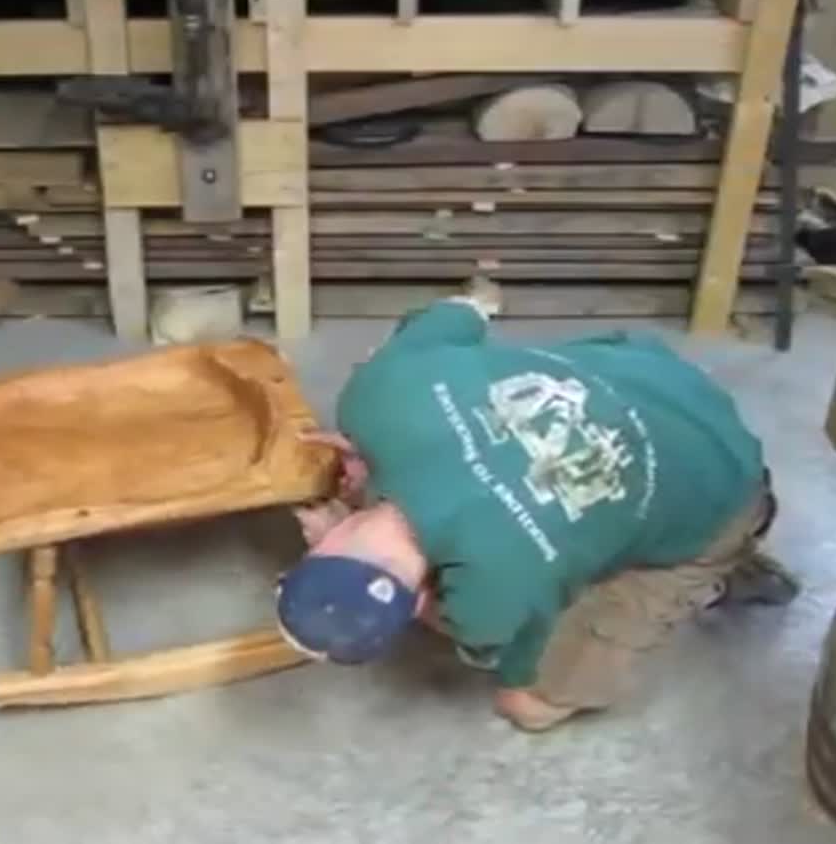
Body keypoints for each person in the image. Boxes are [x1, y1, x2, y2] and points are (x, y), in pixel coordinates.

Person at [274, 288, 799, 732]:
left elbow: (481, 635)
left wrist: (453, 610)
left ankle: (722, 563)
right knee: (535, 523)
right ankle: (597, 539)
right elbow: (459, 312)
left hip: (716, 492)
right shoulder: (375, 395)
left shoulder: (490, 596)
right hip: (650, 378)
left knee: (529, 704)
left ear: (418, 603)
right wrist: (384, 445)